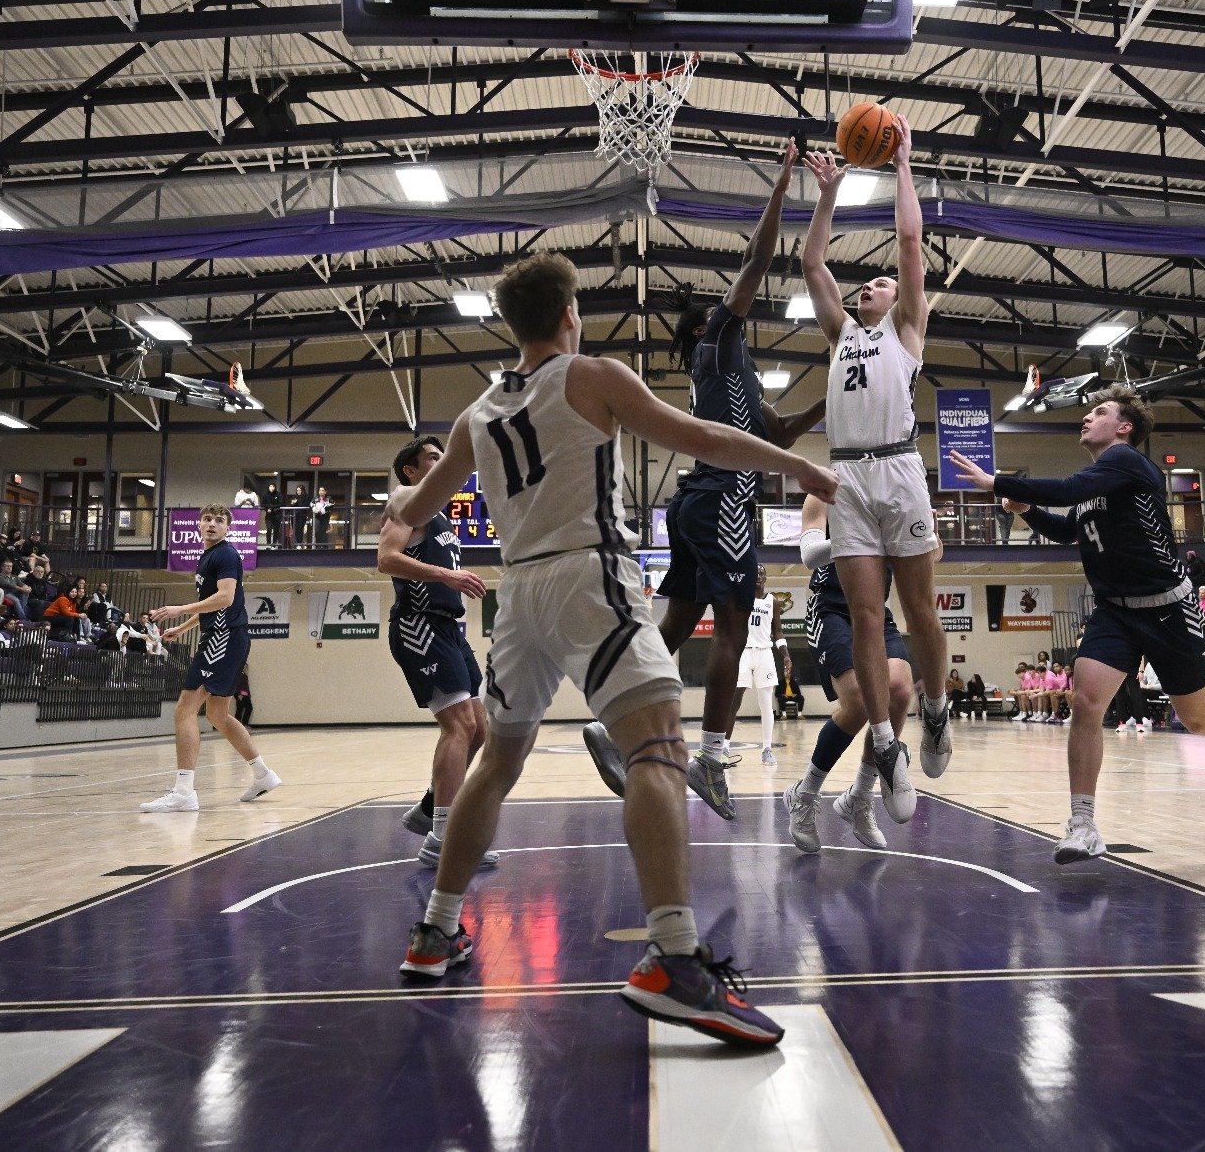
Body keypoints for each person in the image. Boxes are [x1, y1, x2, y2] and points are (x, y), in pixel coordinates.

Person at [382, 251, 834, 1045]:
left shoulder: (475, 416)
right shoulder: (592, 374)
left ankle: (434, 930)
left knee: (496, 764)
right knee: (660, 749)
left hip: (519, 596)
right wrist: (795, 462)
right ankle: (674, 957)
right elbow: (702, 436)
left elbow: (410, 509)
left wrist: (395, 518)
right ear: (568, 315)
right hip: (591, 573)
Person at [583, 141, 824, 818]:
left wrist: (835, 394)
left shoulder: (734, 381)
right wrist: (780, 189)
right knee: (730, 627)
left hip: (697, 501)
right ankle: (712, 756)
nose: (736, 304)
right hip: (720, 499)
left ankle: (611, 721)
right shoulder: (718, 344)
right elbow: (755, 261)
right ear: (707, 325)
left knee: (676, 621)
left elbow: (779, 434)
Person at [949, 388, 1205, 864]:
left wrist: (999, 483)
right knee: (1085, 702)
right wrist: (1028, 511)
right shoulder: (1097, 484)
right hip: (1114, 610)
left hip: (1168, 608)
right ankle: (1083, 825)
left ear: (1124, 427)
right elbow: (1069, 529)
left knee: (1198, 720)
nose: (1087, 418)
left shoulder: (1130, 464)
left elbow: (1066, 490)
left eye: (1099, 412)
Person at [797, 130, 955, 801]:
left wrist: (904, 170)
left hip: (897, 468)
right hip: (850, 476)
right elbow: (812, 265)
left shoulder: (906, 330)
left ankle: (938, 706)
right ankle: (886, 743)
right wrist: (828, 194)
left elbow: (911, 246)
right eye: (865, 282)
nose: (871, 284)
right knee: (866, 614)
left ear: (901, 299)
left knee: (918, 611)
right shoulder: (841, 335)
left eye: (881, 281)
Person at [379, 435, 499, 873]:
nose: (442, 462)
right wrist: (444, 575)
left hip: (448, 628)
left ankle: (432, 807)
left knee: (480, 730)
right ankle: (442, 840)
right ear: (410, 470)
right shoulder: (408, 502)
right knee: (460, 726)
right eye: (432, 457)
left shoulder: (441, 514)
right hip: (419, 624)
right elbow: (387, 558)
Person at [782, 495, 922, 853]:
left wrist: (923, 535)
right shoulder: (824, 492)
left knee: (901, 691)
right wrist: (867, 538)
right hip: (832, 606)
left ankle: (859, 797)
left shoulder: (894, 493)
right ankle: (805, 793)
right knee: (859, 700)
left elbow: (931, 554)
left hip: (875, 607)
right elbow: (810, 555)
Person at [139, 504, 281, 812]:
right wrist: (184, 625)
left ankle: (184, 792)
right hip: (224, 636)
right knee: (218, 715)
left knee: (184, 711)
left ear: (228, 528)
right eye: (207, 519)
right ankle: (263, 774)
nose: (212, 524)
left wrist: (180, 609)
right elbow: (212, 604)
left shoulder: (225, 555)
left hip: (224, 638)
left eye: (219, 520)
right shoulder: (208, 557)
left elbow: (226, 597)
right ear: (199, 526)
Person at [736, 568, 784, 765]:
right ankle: (723, 747)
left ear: (766, 578)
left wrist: (787, 656)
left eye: (761, 573)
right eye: (754, 573)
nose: (758, 576)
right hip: (744, 652)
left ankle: (766, 749)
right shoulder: (741, 598)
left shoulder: (772, 601)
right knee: (734, 700)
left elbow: (778, 632)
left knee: (766, 704)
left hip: (765, 653)